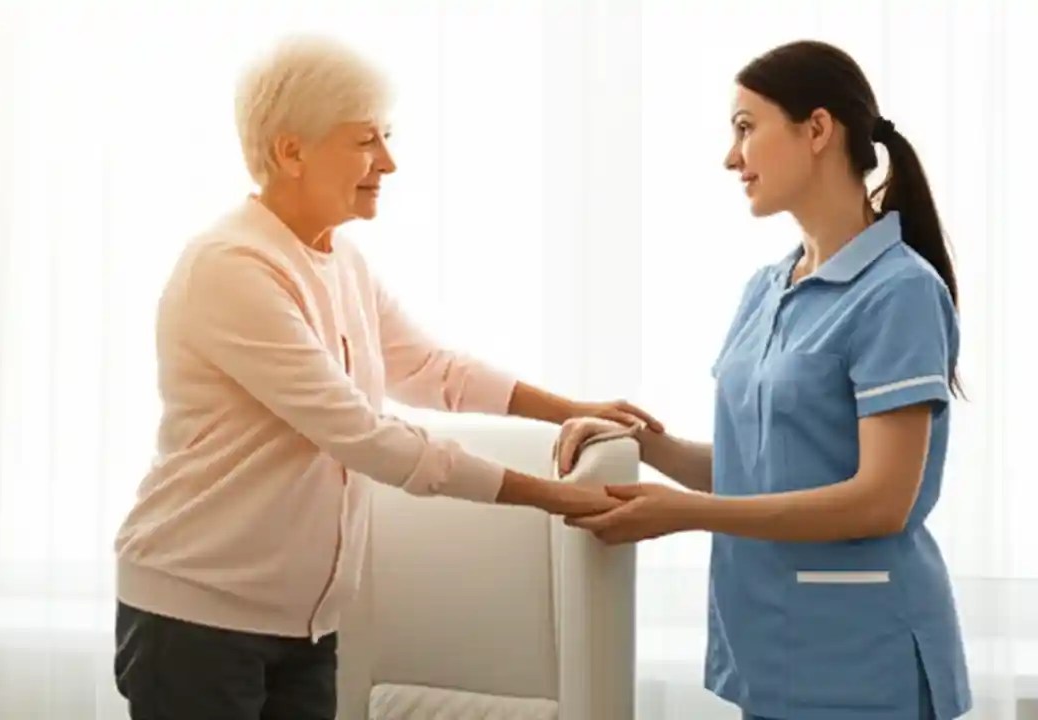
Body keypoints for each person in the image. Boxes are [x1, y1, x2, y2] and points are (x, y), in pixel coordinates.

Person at [110, 35, 659, 720]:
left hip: (304, 624)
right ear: (291, 151)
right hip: (197, 616)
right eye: (366, 141)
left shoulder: (339, 259)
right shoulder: (233, 267)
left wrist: (573, 409)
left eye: (387, 137)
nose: (388, 163)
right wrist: (555, 497)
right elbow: (363, 436)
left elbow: (431, 370)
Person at [556, 40, 971, 720]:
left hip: (863, 661)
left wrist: (685, 513)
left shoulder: (899, 292)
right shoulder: (767, 289)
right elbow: (762, 473)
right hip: (770, 653)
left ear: (816, 129)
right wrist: (644, 444)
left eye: (746, 127)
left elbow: (880, 501)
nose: (730, 156)